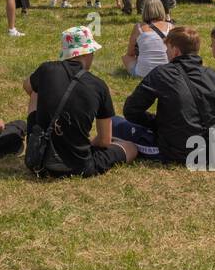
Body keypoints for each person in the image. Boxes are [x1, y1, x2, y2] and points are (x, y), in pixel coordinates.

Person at [113, 26, 215, 162]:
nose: (166, 53)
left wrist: (156, 123)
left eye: (167, 49)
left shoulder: (161, 74)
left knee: (113, 122)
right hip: (212, 152)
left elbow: (131, 110)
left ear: (175, 51)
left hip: (174, 151)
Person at [23, 25, 138, 176]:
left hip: (38, 160)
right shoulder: (99, 86)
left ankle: (34, 143)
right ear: (87, 53)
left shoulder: (46, 69)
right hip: (79, 167)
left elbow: (27, 86)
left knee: (36, 91)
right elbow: (105, 140)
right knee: (130, 147)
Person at [122, 0, 171, 78]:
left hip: (143, 73)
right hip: (167, 72)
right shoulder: (171, 27)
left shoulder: (138, 27)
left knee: (126, 57)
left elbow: (130, 53)